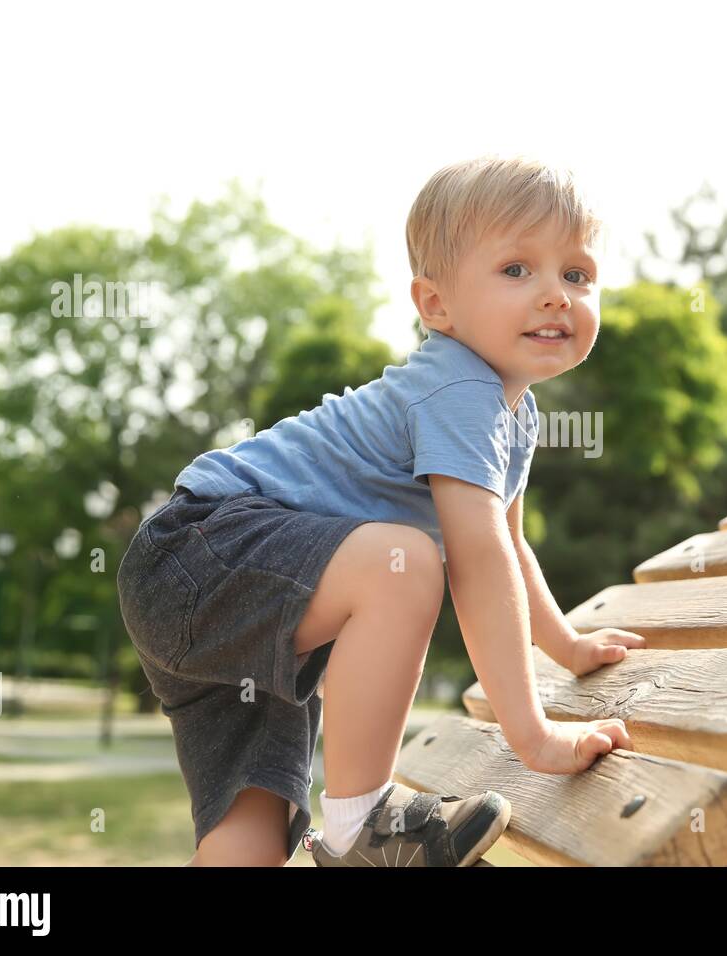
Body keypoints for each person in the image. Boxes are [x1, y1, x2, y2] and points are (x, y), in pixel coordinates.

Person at [116, 154, 645, 867]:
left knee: (252, 824)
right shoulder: (460, 388)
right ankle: (361, 825)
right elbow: (477, 559)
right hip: (205, 550)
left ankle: (339, 827)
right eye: (517, 270)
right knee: (406, 561)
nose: (555, 295)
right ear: (436, 306)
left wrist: (570, 646)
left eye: (576, 275)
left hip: (221, 596)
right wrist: (534, 735)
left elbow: (511, 550)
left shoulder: (512, 416)